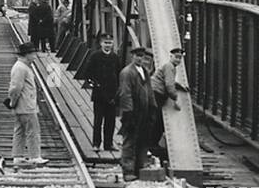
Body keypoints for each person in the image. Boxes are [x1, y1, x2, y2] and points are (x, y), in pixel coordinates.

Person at [6, 41, 47, 166]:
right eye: (33, 53)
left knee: (19, 130)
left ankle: (17, 156)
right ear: (26, 54)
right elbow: (15, 88)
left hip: (22, 105)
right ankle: (34, 156)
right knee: (33, 130)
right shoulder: (21, 68)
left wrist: (14, 104)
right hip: (26, 105)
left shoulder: (21, 66)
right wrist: (12, 102)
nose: (35, 56)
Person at [148, 46, 188, 168]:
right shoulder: (170, 67)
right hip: (156, 93)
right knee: (157, 120)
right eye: (176, 57)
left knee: (157, 119)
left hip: (155, 92)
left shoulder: (169, 67)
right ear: (171, 57)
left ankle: (152, 143)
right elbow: (169, 85)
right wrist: (175, 99)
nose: (178, 60)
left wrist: (180, 86)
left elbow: (169, 81)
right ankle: (152, 144)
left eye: (180, 58)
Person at [81, 33, 122, 152]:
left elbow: (119, 73)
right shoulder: (95, 56)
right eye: (105, 43)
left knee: (111, 121)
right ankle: (96, 144)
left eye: (110, 43)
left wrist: (117, 92)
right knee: (98, 120)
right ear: (101, 43)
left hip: (112, 94)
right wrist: (95, 85)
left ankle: (108, 144)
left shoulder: (115, 57)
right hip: (99, 95)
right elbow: (87, 74)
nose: (108, 45)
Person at [117, 47, 153, 178]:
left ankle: (140, 168)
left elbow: (149, 91)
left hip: (144, 111)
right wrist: (128, 113)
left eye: (142, 56)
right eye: (138, 56)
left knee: (142, 139)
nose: (140, 59)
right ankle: (128, 171)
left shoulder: (145, 72)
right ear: (132, 56)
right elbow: (125, 93)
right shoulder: (127, 72)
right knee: (130, 140)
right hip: (132, 111)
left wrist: (152, 107)